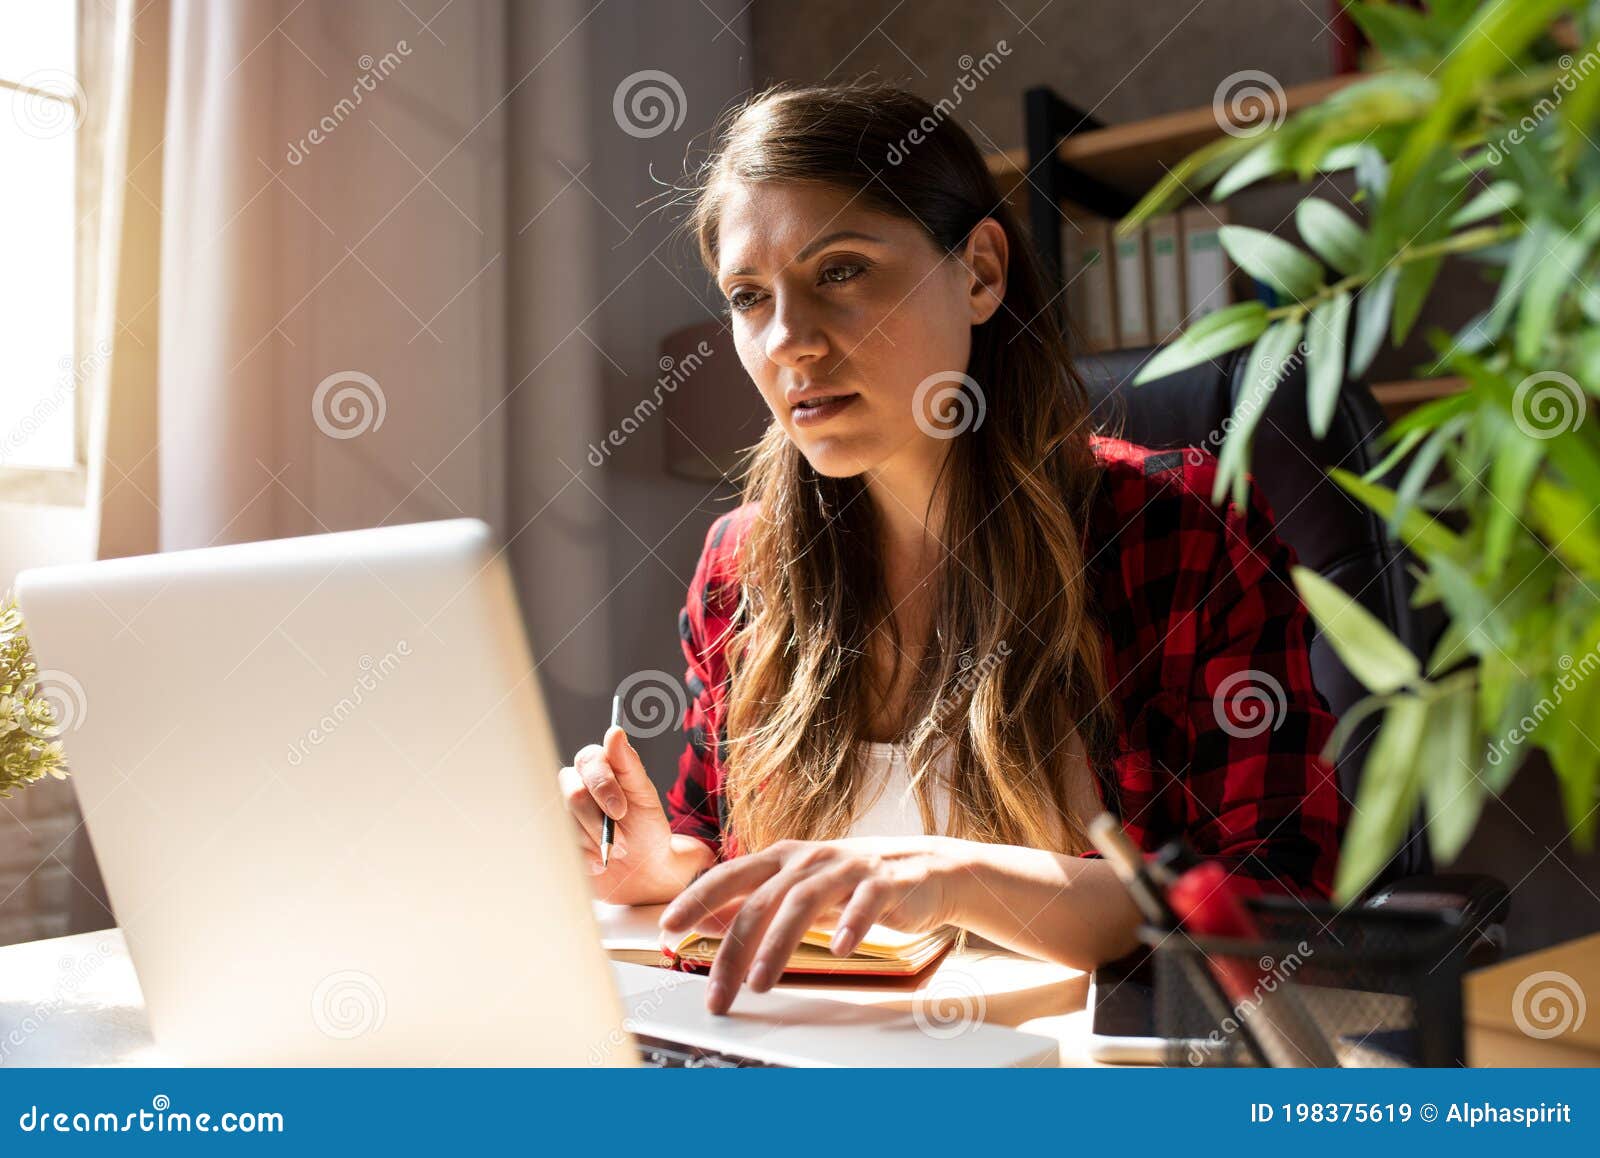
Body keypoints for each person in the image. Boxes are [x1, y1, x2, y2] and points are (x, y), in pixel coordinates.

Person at [558, 81, 1345, 1015]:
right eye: (747, 296)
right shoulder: (743, 567)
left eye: (841, 271)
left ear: (978, 273)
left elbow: (1274, 907)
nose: (788, 341)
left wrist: (954, 876)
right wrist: (665, 866)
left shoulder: (1165, 526)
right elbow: (725, 848)